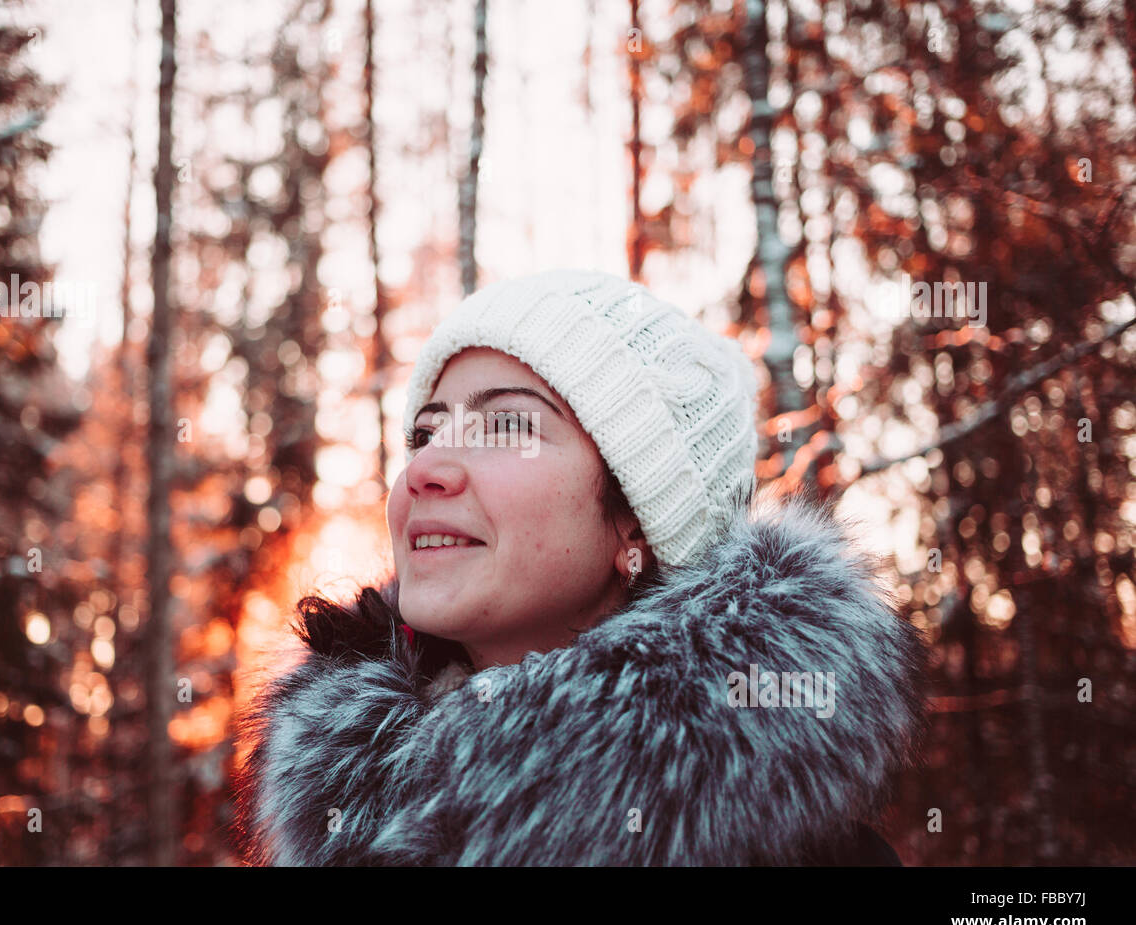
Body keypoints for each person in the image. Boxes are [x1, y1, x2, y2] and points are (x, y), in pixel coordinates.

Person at [233, 269, 928, 866]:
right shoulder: (341, 818)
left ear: (638, 524)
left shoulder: (796, 853)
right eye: (425, 432)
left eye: (507, 427)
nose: (426, 468)